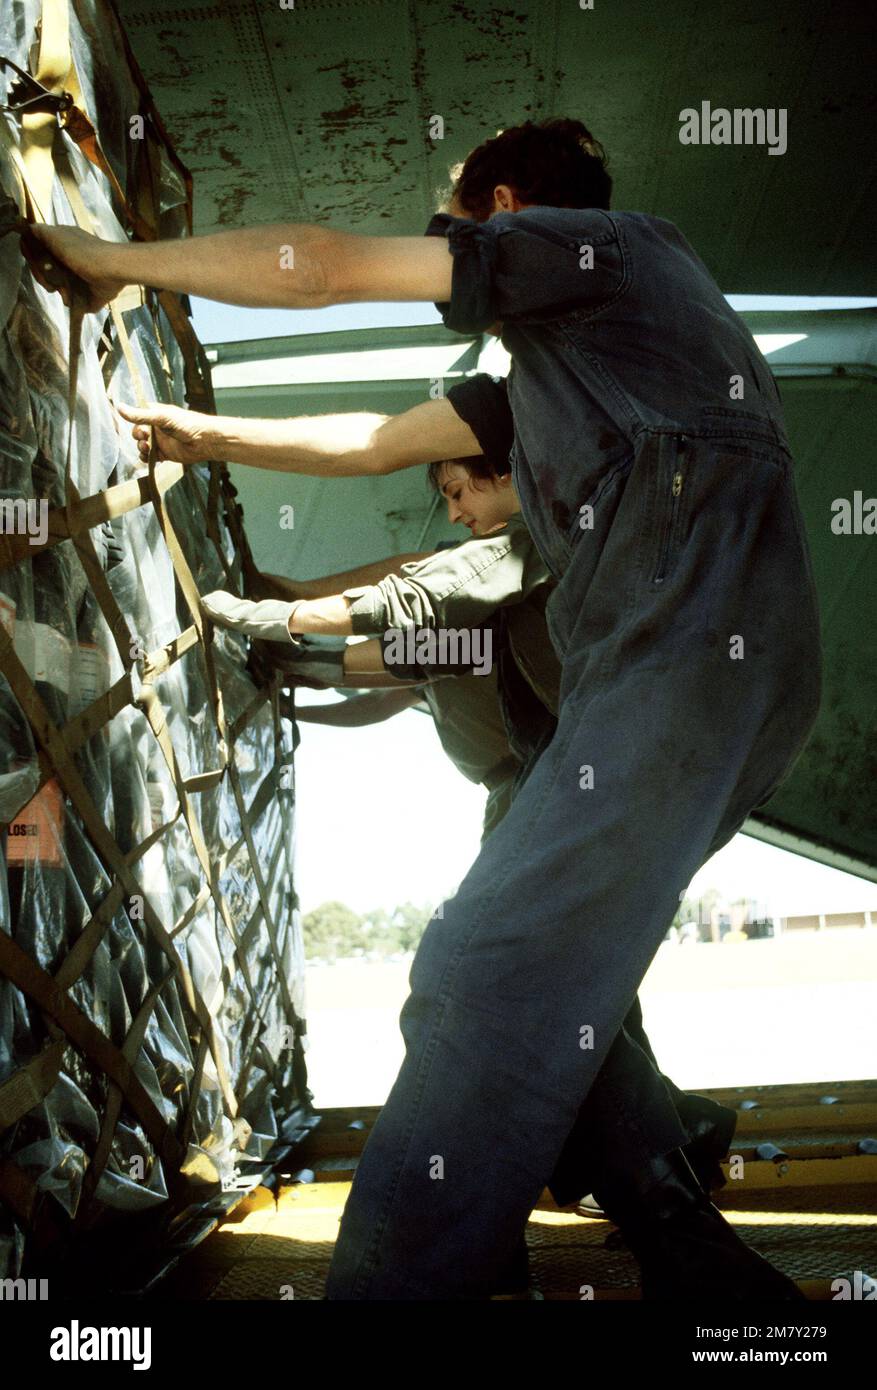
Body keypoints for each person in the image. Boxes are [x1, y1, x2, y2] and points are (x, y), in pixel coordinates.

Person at [34, 117, 821, 1300]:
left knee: (480, 968)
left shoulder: (597, 251)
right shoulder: (578, 358)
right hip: (705, 674)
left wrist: (109, 260)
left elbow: (325, 263)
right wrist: (201, 435)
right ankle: (703, 1268)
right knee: (566, 984)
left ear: (499, 207)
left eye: (449, 223)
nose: (440, 246)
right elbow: (371, 441)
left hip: (681, 657)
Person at [219, 446, 738, 1296]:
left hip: (560, 795)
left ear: (509, 476)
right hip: (533, 801)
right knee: (577, 1020)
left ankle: (657, 1215)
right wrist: (295, 674)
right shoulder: (482, 596)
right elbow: (402, 671)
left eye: (462, 489)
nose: (454, 508)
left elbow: (407, 606)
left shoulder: (523, 550)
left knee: (493, 1007)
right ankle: (672, 1191)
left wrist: (279, 608)